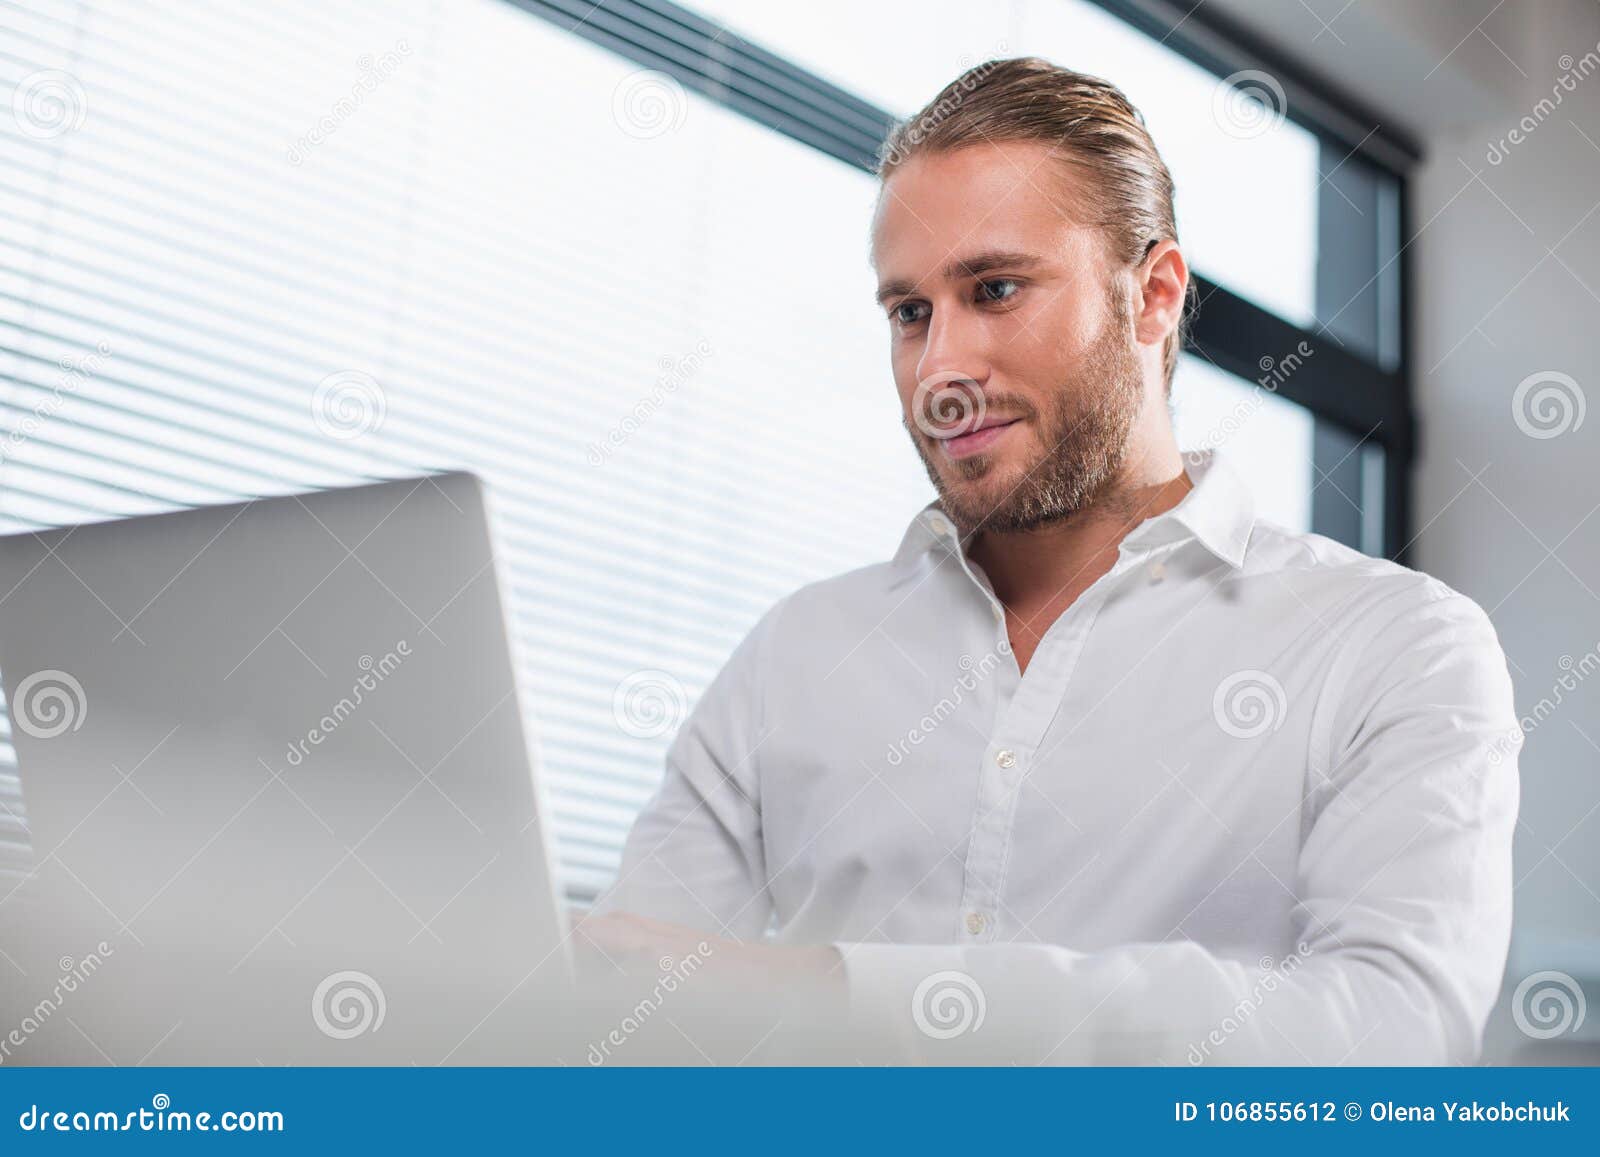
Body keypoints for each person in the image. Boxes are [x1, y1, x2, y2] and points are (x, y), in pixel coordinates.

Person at [575, 57, 1520, 1065]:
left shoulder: (1392, 645)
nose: (940, 369)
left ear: (1153, 296)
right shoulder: (795, 654)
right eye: (910, 312)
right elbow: (626, 1009)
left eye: (994, 289)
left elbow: (1392, 1037)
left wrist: (842, 992)